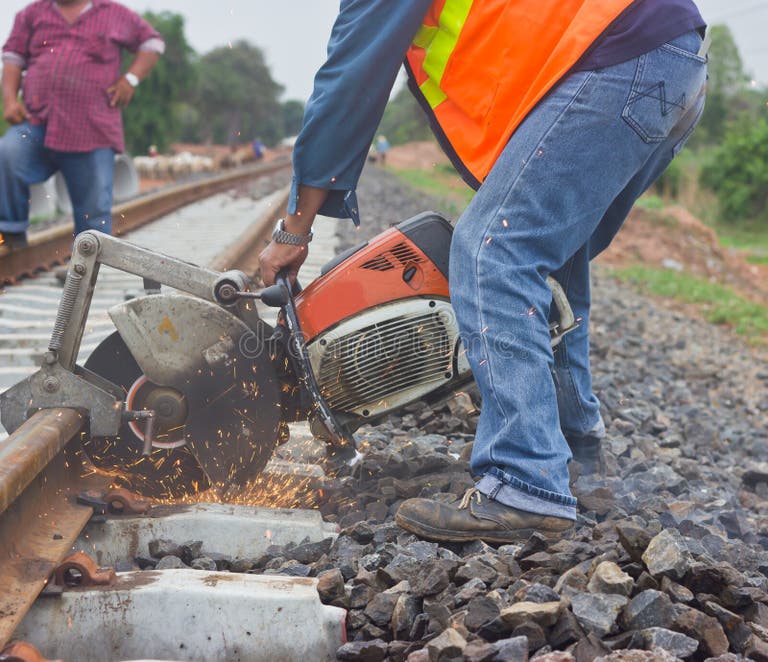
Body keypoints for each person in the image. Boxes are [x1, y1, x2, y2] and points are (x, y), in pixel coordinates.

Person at [259, 1, 707, 544]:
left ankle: (526, 484)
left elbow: (350, 78)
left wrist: (294, 229)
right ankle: (573, 444)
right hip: (665, 53)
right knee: (548, 256)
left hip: (617, 52)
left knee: (490, 250)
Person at [0, 0, 164, 250]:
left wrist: (130, 79)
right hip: (38, 121)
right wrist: (11, 100)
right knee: (8, 152)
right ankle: (11, 234)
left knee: (93, 210)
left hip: (92, 129)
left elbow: (152, 43)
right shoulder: (33, 14)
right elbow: (13, 57)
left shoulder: (112, 13)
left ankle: (86, 268)